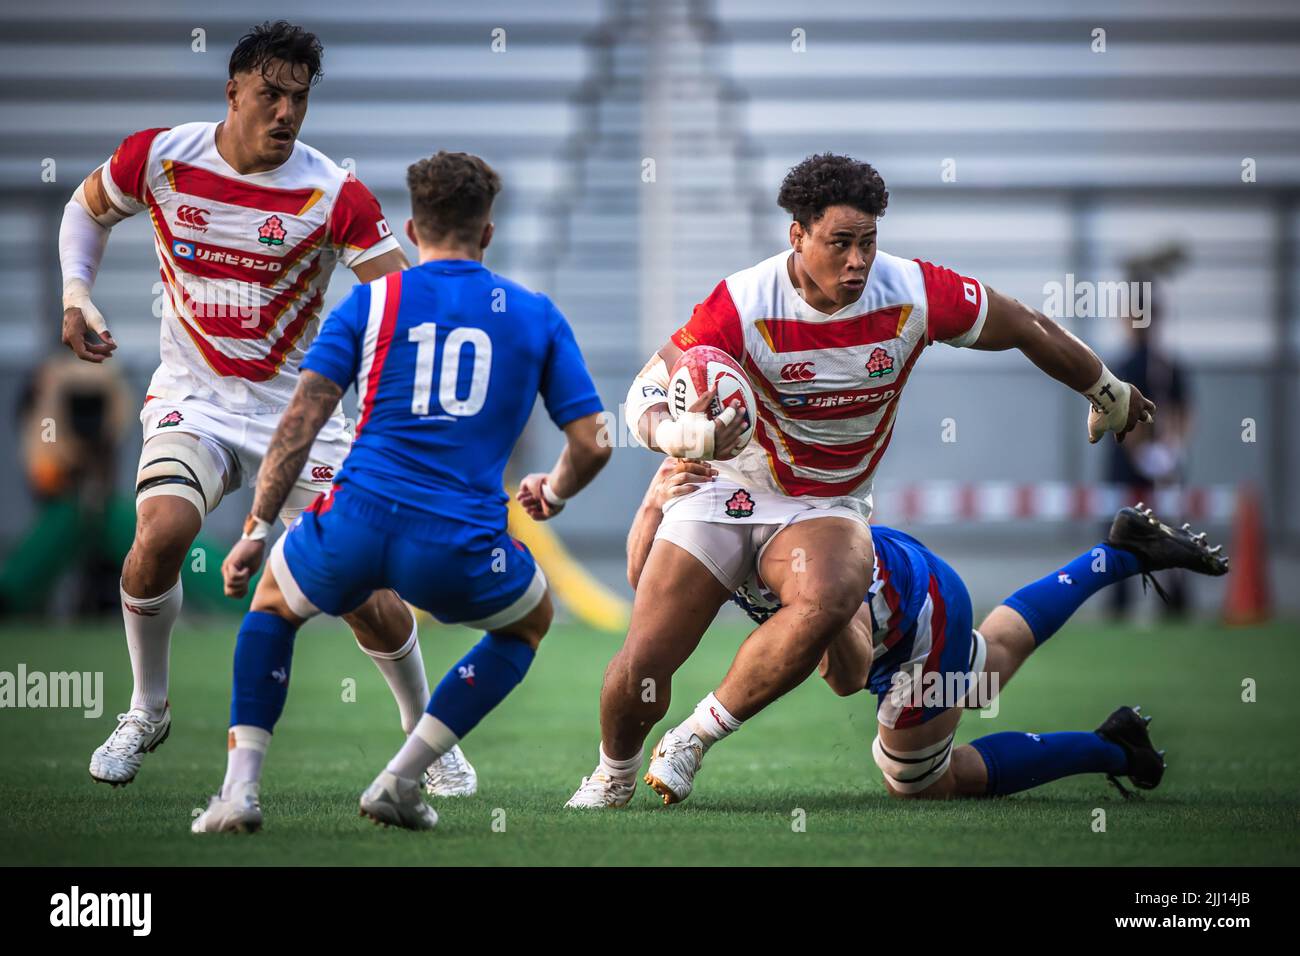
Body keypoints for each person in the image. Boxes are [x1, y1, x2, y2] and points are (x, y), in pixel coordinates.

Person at [567, 152, 1156, 807]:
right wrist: (684, 438)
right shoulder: (744, 301)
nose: (857, 261)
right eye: (839, 243)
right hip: (728, 481)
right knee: (647, 654)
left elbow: (1025, 323)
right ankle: (612, 775)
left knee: (827, 596)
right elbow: (645, 391)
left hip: (827, 502)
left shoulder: (911, 292)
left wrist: (1106, 389)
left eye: (868, 243)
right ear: (797, 235)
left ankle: (692, 739)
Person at [56, 21, 483, 792]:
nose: (286, 112)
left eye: (300, 98)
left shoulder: (333, 194)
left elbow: (399, 295)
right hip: (195, 401)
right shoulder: (160, 158)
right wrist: (76, 292)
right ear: (233, 92)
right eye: (270, 95)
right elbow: (87, 208)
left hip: (300, 418)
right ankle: (147, 708)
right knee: (160, 532)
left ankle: (425, 735)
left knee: (367, 594)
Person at [192, 150, 610, 833]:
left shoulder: (371, 300)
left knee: (272, 602)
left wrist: (256, 529)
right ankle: (404, 776)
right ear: (489, 232)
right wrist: (554, 490)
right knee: (528, 621)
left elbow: (301, 420)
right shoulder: (534, 314)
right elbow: (594, 441)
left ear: (412, 231)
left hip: (356, 521)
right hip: (457, 543)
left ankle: (238, 792)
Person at [618, 458, 1228, 804]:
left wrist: (813, 615)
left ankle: (1113, 749)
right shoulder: (719, 511)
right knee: (987, 665)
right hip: (913, 580)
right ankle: (1118, 555)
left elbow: (850, 675)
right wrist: (652, 502)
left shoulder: (783, 539)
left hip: (909, 623)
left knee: (918, 781)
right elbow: (647, 584)